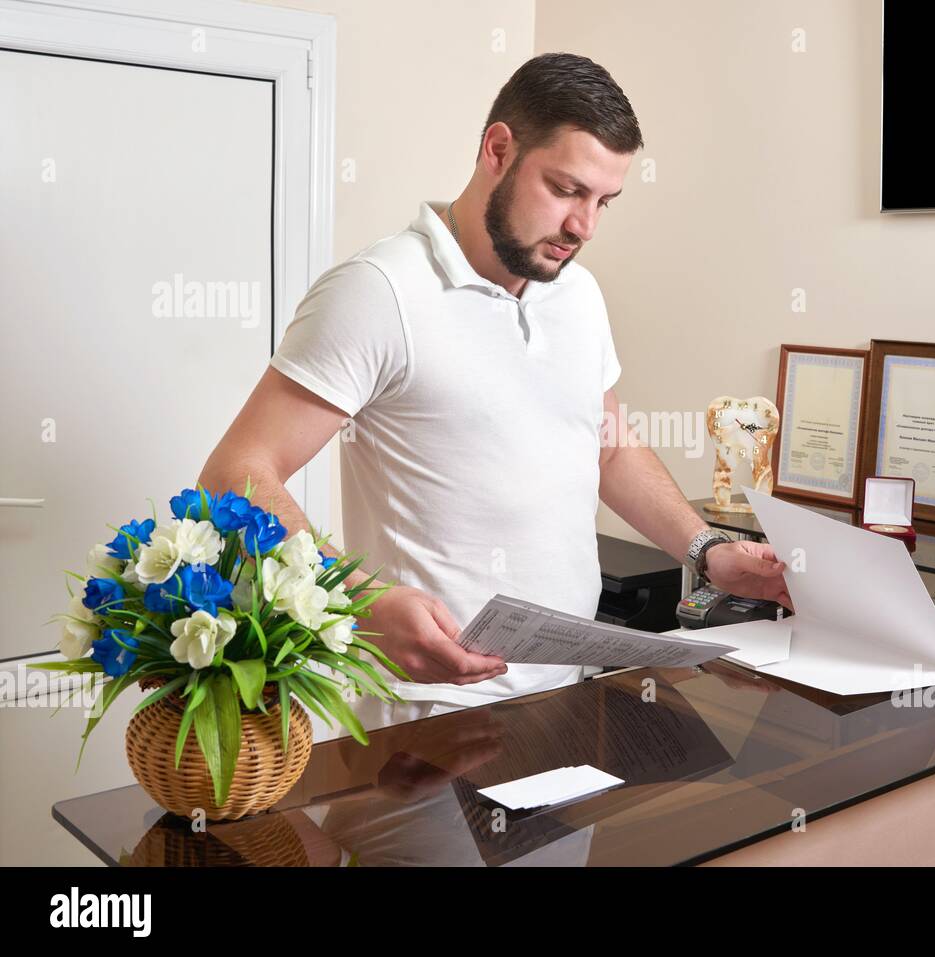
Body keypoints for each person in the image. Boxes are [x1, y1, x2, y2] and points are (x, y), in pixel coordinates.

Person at [197, 52, 790, 733]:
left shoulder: (579, 294)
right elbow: (234, 474)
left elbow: (609, 448)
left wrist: (707, 551)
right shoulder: (379, 290)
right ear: (498, 149)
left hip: (570, 695)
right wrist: (355, 599)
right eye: (567, 189)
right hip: (430, 712)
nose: (584, 226)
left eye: (604, 201)